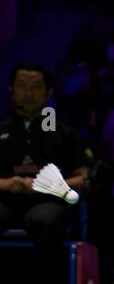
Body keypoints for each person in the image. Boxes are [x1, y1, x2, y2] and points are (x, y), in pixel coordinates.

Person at [0, 63, 90, 250]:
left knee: (44, 221)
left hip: (48, 201)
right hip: (4, 200)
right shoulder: (1, 129)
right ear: (11, 90)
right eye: (22, 86)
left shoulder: (64, 132)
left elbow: (85, 177)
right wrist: (6, 184)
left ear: (49, 92)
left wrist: (48, 186)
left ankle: (45, 278)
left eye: (36, 87)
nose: (29, 93)